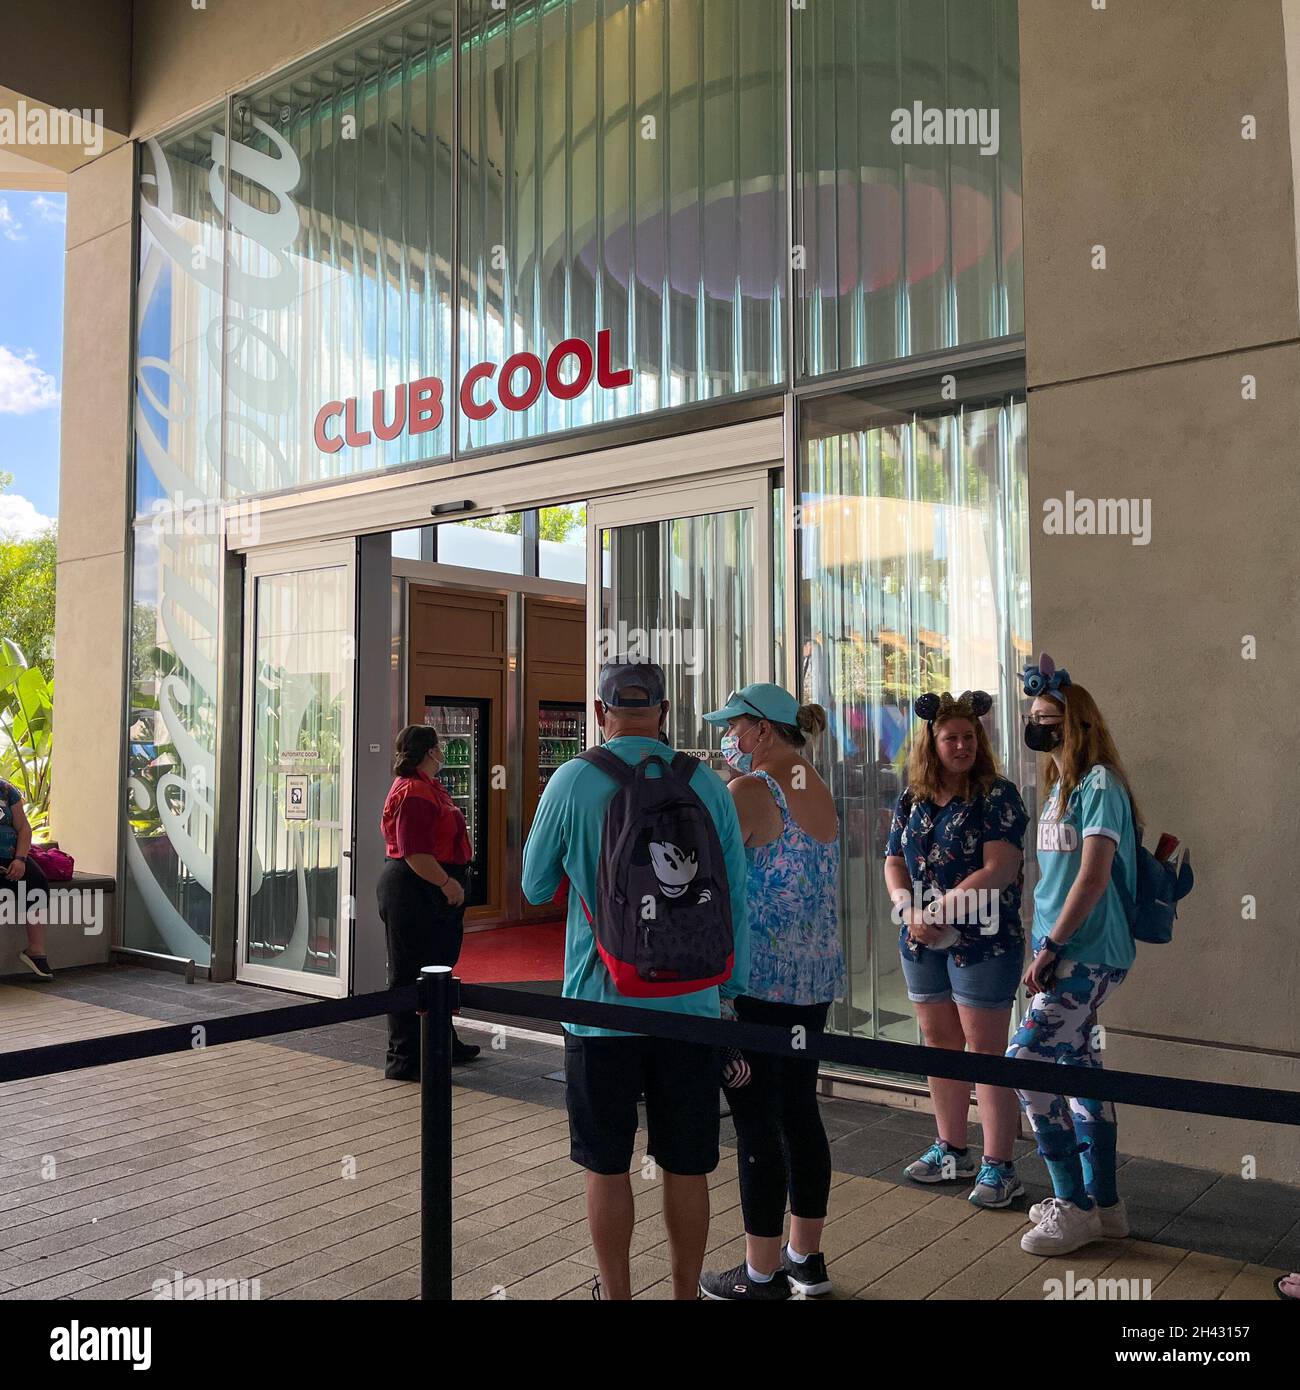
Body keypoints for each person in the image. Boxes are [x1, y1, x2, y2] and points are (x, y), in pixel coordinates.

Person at [521, 660, 750, 1301]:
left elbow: (535, 886)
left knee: (605, 1162)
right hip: (694, 1005)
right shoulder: (707, 783)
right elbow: (739, 899)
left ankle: (617, 1295)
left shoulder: (572, 781)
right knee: (687, 1162)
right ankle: (683, 1294)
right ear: (665, 711)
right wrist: (728, 995)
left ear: (599, 713)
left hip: (601, 1006)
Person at [696, 683, 844, 1301]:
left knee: (757, 1123)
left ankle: (760, 1274)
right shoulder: (814, 783)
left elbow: (710, 866)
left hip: (758, 986)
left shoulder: (750, 790)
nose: (727, 737)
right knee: (800, 1114)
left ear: (760, 729)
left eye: (734, 726)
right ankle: (804, 1258)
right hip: (813, 984)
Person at [1008, 654, 1137, 1256]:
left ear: (1076, 722)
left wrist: (1053, 946)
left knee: (1024, 1062)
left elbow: (1092, 877)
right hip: (1059, 947)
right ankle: (1105, 1206)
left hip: (1084, 950)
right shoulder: (1060, 785)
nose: (1039, 727)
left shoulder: (1100, 783)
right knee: (1077, 1068)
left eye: (1049, 718)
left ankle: (1073, 1204)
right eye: (1034, 717)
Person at [884, 690, 1029, 1209]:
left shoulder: (997, 795)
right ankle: (951, 1151)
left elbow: (999, 869)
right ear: (932, 742)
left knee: (986, 1050)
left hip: (984, 940)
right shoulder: (912, 797)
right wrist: (906, 909)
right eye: (952, 738)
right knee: (940, 1043)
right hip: (920, 939)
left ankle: (1000, 1165)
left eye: (969, 737)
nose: (962, 746)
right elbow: (893, 860)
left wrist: (936, 911)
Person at [377, 724, 480, 1079]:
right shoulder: (415, 792)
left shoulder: (426, 787)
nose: (443, 751)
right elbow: (415, 852)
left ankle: (442, 1041)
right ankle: (404, 1057)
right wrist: (448, 884)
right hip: (417, 888)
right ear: (429, 751)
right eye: (439, 746)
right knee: (409, 972)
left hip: (425, 886)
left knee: (436, 968)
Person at [2, 778, 52, 980]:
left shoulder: (5, 790)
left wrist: (20, 860)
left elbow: (24, 829)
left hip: (11, 856)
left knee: (36, 880)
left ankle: (36, 951)